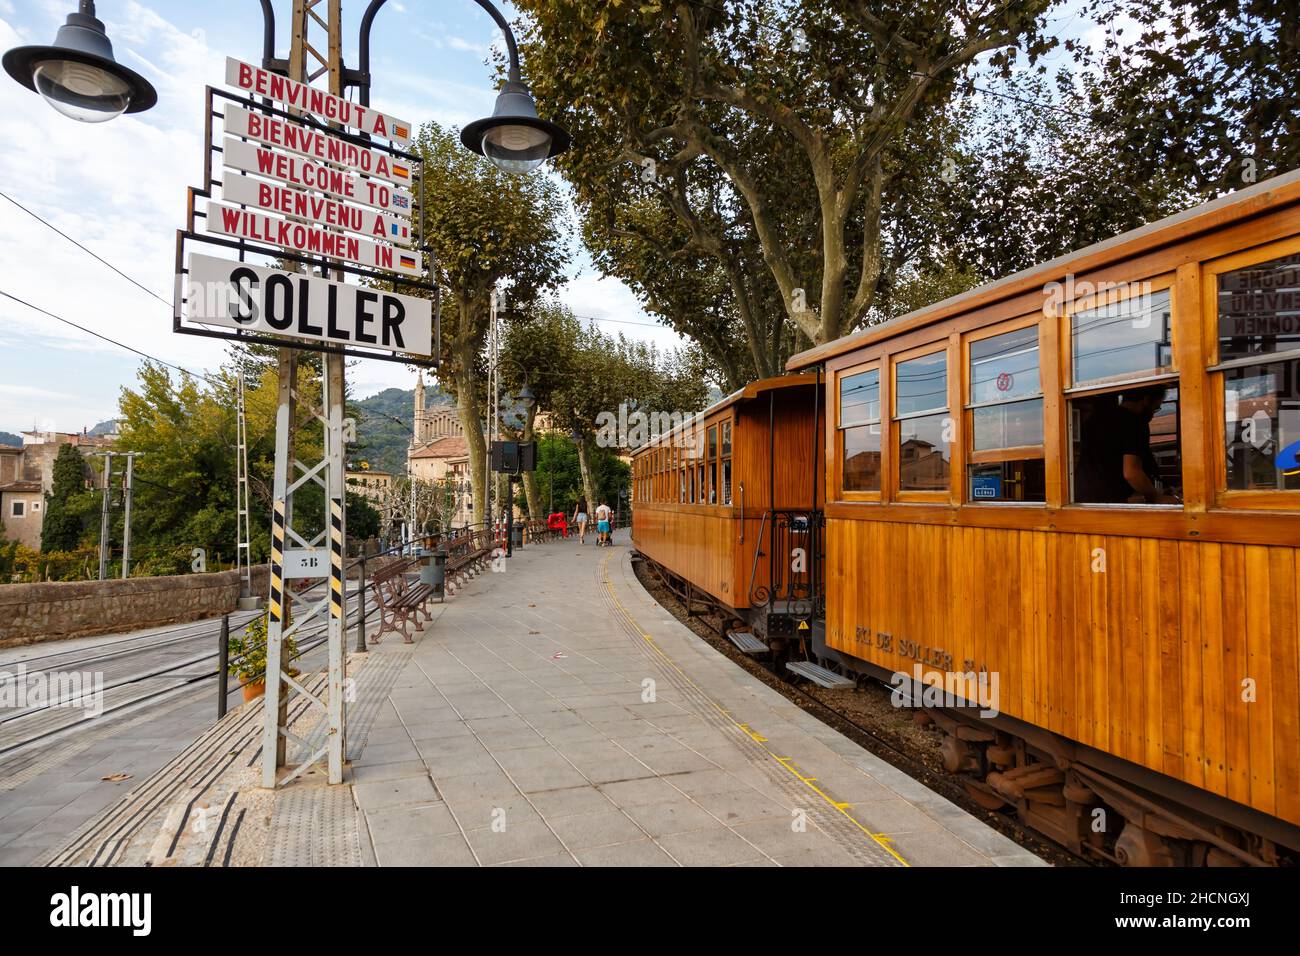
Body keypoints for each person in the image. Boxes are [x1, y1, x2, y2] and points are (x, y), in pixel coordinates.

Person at [1075, 386, 1179, 504]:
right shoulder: (1135, 422)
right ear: (1146, 400)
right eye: (1155, 408)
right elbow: (1132, 473)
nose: (1153, 415)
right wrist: (1156, 497)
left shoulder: (1093, 420)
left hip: (1081, 497)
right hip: (1110, 500)